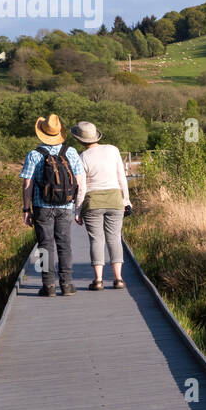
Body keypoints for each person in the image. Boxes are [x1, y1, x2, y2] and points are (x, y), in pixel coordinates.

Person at [20, 114, 86, 296]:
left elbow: (27, 184)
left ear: (42, 133)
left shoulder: (34, 154)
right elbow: (80, 181)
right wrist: (78, 206)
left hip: (42, 207)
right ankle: (66, 285)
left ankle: (48, 286)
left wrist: (27, 209)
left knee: (44, 245)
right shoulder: (70, 152)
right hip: (65, 206)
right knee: (64, 244)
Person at [71, 120, 131, 290]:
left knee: (96, 240)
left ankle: (98, 280)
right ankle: (118, 279)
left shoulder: (82, 157)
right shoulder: (113, 150)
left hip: (92, 202)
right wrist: (126, 200)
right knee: (114, 238)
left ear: (80, 140)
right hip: (114, 199)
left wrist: (78, 210)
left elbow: (81, 187)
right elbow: (121, 177)